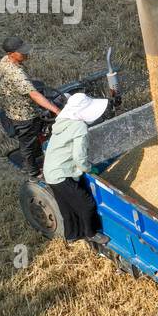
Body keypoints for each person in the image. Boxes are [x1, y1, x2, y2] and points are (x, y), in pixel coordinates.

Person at [42, 92, 109, 242]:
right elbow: (79, 157)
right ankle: (91, 233)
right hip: (61, 174)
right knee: (87, 204)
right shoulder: (79, 127)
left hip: (50, 172)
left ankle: (71, 236)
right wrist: (89, 169)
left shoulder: (63, 121)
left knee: (67, 209)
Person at [0, 37, 60, 178]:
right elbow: (35, 95)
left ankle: (40, 150)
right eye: (21, 52)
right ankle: (32, 170)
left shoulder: (5, 61)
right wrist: (56, 110)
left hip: (14, 104)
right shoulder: (16, 74)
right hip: (23, 115)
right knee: (27, 143)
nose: (26, 54)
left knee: (33, 137)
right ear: (11, 53)